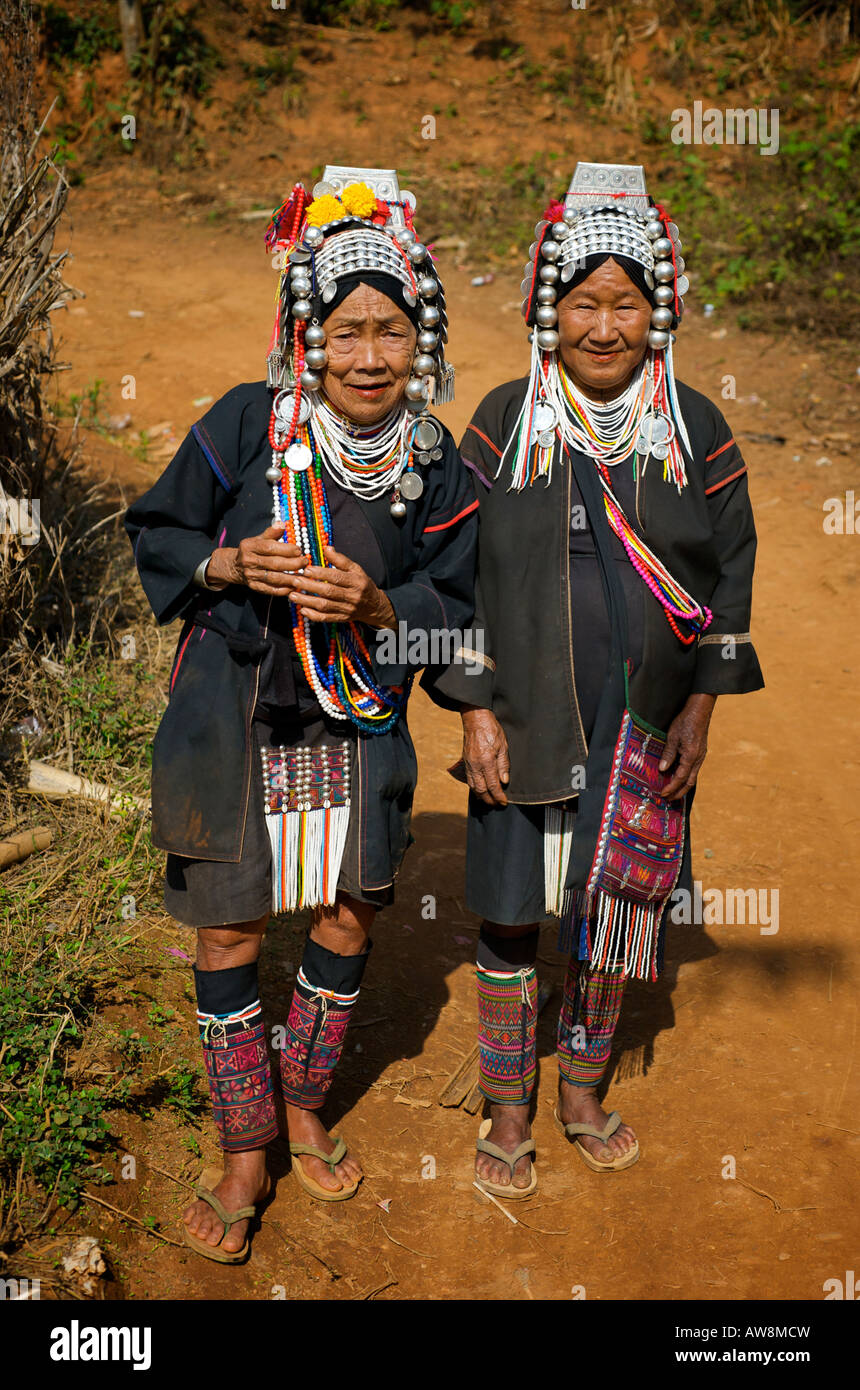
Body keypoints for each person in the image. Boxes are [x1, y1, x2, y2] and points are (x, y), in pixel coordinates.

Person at [124, 166, 477, 1260]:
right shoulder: (244, 423)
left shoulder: (432, 463)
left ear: (420, 343)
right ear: (305, 335)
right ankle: (242, 1142)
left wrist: (383, 603)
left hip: (354, 727)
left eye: (392, 330)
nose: (369, 354)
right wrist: (226, 562)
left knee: (345, 913)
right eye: (347, 329)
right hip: (235, 717)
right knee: (229, 924)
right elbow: (157, 530)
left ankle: (304, 1099)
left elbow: (456, 615)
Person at [434, 161, 764, 1199]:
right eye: (584, 302)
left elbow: (731, 573)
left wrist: (700, 707)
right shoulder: (501, 420)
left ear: (655, 309)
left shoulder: (694, 429)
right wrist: (475, 707)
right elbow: (452, 573)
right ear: (550, 308)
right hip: (523, 717)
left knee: (614, 908)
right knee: (508, 912)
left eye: (625, 303)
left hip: (644, 724)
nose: (604, 326)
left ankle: (578, 1089)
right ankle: (504, 1106)